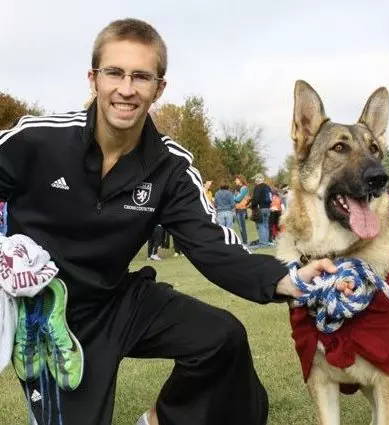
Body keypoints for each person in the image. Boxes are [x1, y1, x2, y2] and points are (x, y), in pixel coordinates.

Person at [0, 18, 347, 425]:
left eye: (141, 76)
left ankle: (161, 420)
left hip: (117, 301)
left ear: (159, 87)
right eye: (114, 72)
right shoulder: (38, 140)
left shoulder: (170, 166)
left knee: (222, 338)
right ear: (93, 79)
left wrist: (290, 280)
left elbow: (211, 246)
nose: (126, 89)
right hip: (45, 320)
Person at [250, 173, 272, 248]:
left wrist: (252, 205)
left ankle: (263, 244)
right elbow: (270, 198)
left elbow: (255, 199)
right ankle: (266, 242)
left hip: (260, 209)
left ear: (258, 179)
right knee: (266, 226)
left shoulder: (258, 187)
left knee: (260, 226)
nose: (254, 181)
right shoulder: (268, 187)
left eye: (255, 179)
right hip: (268, 208)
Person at [233, 175, 250, 246]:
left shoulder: (244, 188)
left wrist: (230, 196)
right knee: (240, 226)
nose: (235, 181)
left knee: (242, 226)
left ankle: (245, 242)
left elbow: (238, 199)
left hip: (241, 209)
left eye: (236, 180)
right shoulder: (238, 189)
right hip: (238, 209)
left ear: (240, 180)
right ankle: (244, 241)